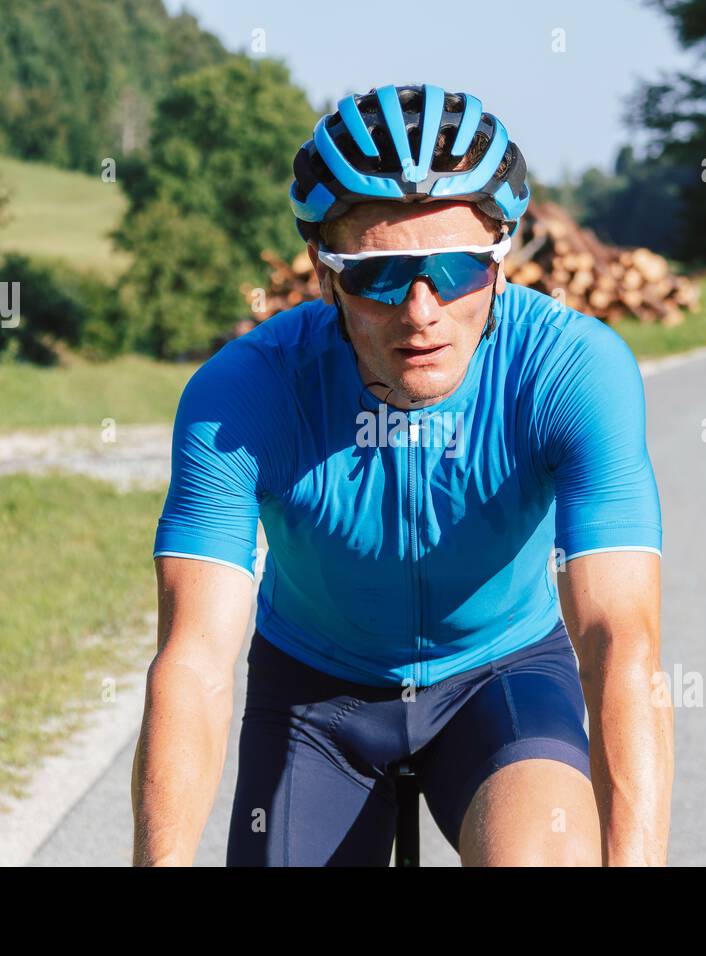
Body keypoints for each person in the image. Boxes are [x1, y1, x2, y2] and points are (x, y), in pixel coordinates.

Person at [131, 83, 672, 866]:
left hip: (503, 679)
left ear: (501, 258)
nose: (422, 310)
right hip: (318, 698)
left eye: (454, 270)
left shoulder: (573, 370)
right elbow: (196, 662)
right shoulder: (241, 394)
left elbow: (620, 640)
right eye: (380, 275)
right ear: (324, 269)